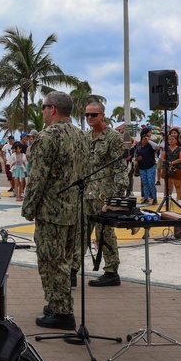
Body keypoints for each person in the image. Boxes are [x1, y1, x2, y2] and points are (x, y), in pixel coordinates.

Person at [22, 91, 88, 330]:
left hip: (52, 210)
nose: (42, 112)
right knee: (65, 260)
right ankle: (57, 302)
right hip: (74, 209)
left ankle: (62, 312)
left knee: (51, 261)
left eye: (43, 107)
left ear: (52, 109)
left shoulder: (48, 136)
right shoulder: (81, 135)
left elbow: (38, 177)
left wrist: (29, 206)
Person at [73, 101, 128, 288]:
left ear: (103, 115)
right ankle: (73, 270)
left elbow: (121, 167)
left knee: (104, 233)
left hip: (104, 194)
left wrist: (118, 196)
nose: (89, 118)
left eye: (93, 115)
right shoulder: (85, 136)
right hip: (86, 191)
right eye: (87, 115)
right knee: (80, 231)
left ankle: (111, 271)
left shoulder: (113, 137)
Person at [133, 129, 159, 205]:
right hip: (142, 167)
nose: (144, 141)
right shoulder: (139, 147)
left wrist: (149, 140)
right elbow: (135, 156)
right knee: (145, 184)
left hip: (150, 167)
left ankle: (154, 198)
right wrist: (137, 159)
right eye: (143, 139)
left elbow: (156, 147)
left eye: (146, 139)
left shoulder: (150, 146)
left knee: (151, 183)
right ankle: (146, 198)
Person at [160, 128, 181, 202]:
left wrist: (172, 163)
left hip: (177, 168)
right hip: (167, 168)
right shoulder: (166, 149)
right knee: (167, 185)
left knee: (178, 185)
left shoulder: (180, 149)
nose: (171, 140)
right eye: (170, 139)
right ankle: (165, 199)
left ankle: (179, 200)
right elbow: (162, 157)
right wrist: (167, 163)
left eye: (173, 139)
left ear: (176, 140)